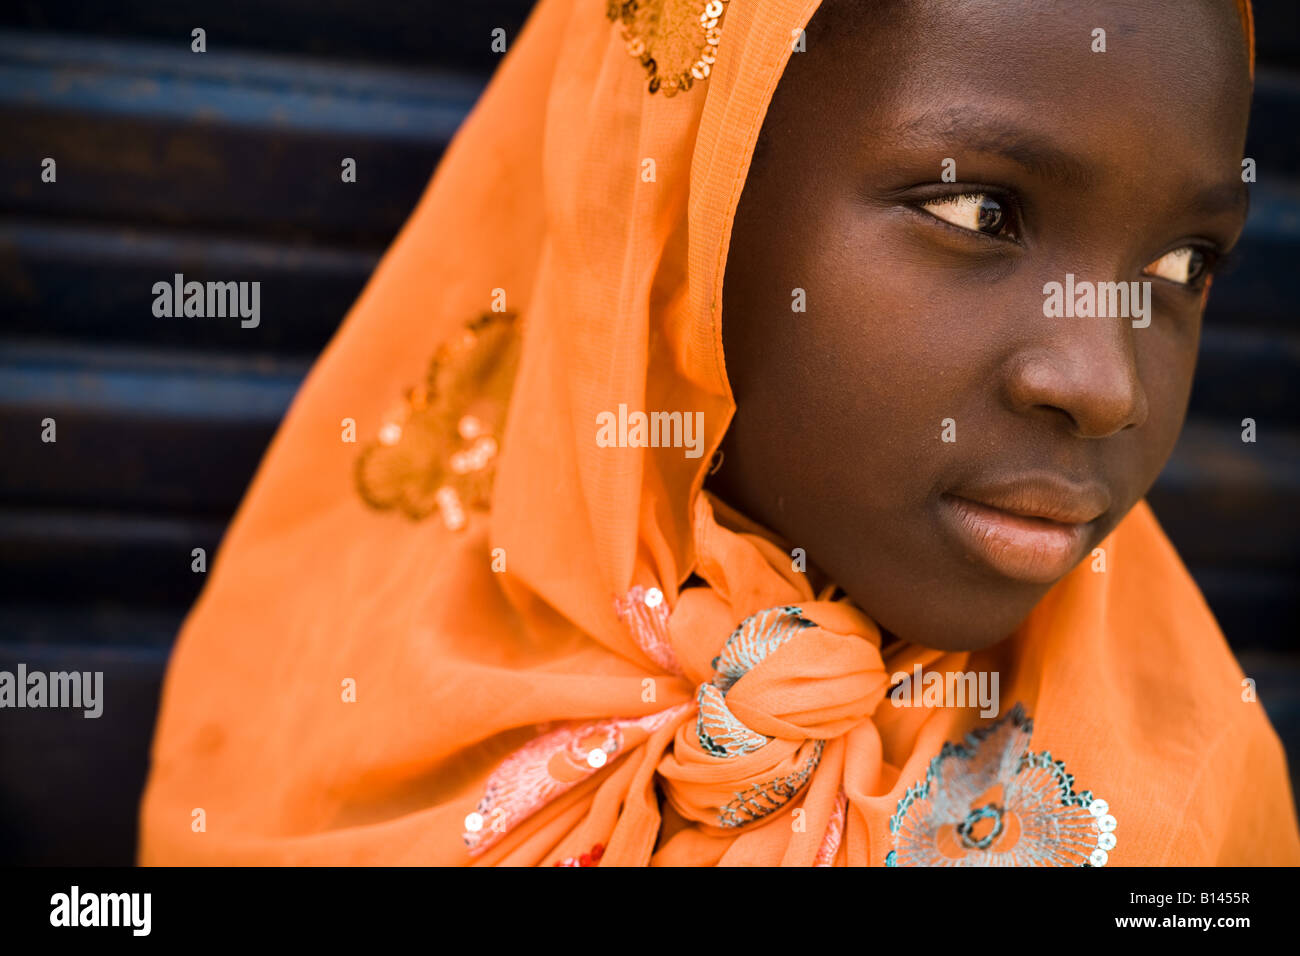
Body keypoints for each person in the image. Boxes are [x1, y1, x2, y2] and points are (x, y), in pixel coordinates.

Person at [139, 0, 1300, 866]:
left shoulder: (1188, 816)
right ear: (681, 205)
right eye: (976, 211)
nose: (1105, 384)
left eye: (1178, 265)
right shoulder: (329, 708)